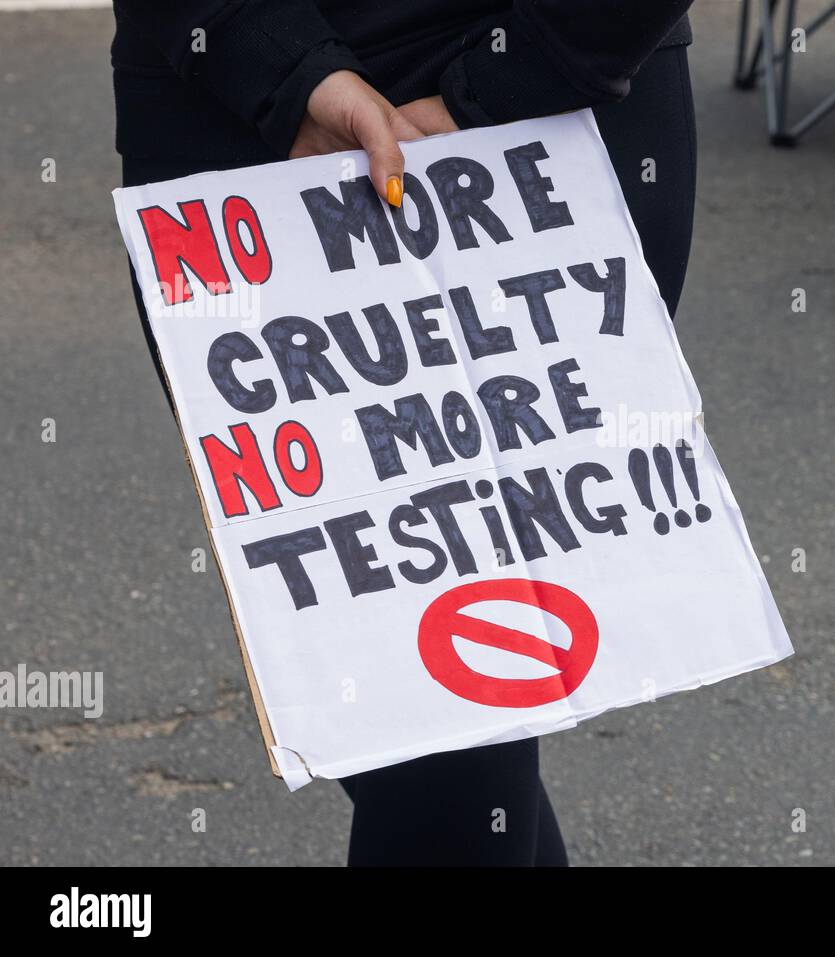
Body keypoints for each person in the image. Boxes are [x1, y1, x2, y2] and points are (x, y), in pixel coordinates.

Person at [112, 0, 697, 867]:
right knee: (431, 726)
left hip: (561, 78)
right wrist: (278, 64)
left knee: (445, 731)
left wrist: (516, 77)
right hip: (230, 95)